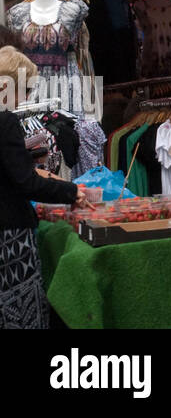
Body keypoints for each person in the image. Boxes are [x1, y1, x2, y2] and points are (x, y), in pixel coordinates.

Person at [0, 46, 93, 330]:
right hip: (9, 234)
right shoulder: (5, 121)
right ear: (5, 84)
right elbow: (24, 182)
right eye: (25, 88)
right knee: (22, 311)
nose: (27, 98)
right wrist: (70, 191)